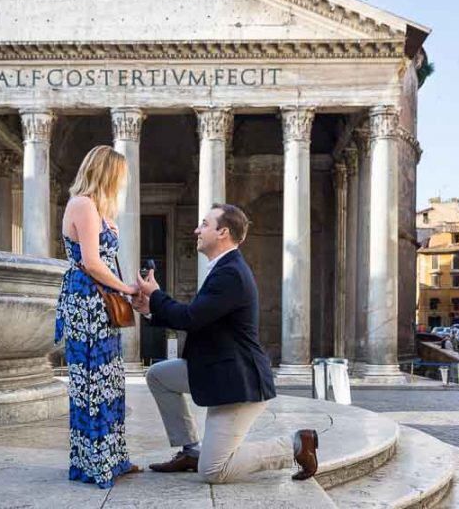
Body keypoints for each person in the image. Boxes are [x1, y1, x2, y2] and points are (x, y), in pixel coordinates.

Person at [133, 203, 319, 484]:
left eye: (204, 224)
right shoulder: (223, 268)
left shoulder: (231, 273)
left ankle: (293, 446)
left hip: (238, 381)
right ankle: (191, 450)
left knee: (214, 471)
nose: (197, 229)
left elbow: (192, 318)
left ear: (223, 232)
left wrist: (156, 295)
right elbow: (198, 319)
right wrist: (150, 308)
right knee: (159, 376)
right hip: (215, 370)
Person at [55, 145, 140, 488]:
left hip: (100, 302)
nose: (122, 183)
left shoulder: (100, 210)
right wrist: (127, 289)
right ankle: (94, 465)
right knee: (92, 383)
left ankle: (114, 459)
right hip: (88, 301)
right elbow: (91, 262)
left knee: (109, 381)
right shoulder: (83, 205)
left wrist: (122, 287)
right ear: (107, 173)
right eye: (118, 176)